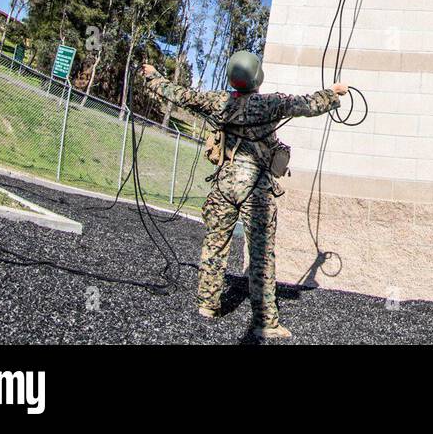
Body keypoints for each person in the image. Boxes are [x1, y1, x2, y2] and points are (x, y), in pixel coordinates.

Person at [137, 53, 348, 339]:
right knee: (261, 256)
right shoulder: (269, 103)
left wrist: (152, 74)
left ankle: (207, 305)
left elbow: (179, 94)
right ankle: (266, 323)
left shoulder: (218, 101)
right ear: (257, 78)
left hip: (224, 186)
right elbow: (307, 104)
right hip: (256, 191)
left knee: (214, 245)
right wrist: (333, 93)